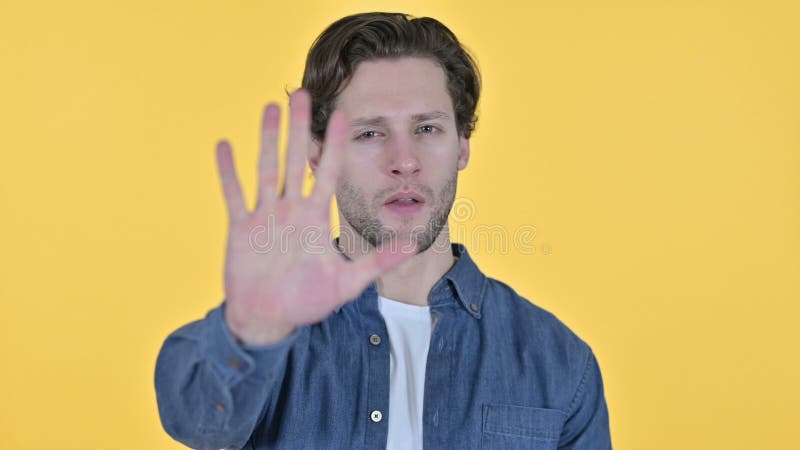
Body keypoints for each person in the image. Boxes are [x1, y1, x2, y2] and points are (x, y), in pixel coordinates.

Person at [154, 12, 612, 450]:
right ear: (317, 156)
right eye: (370, 133)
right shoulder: (270, 327)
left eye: (428, 128)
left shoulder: (561, 362)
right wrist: (251, 335)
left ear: (462, 146)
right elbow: (200, 424)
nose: (404, 160)